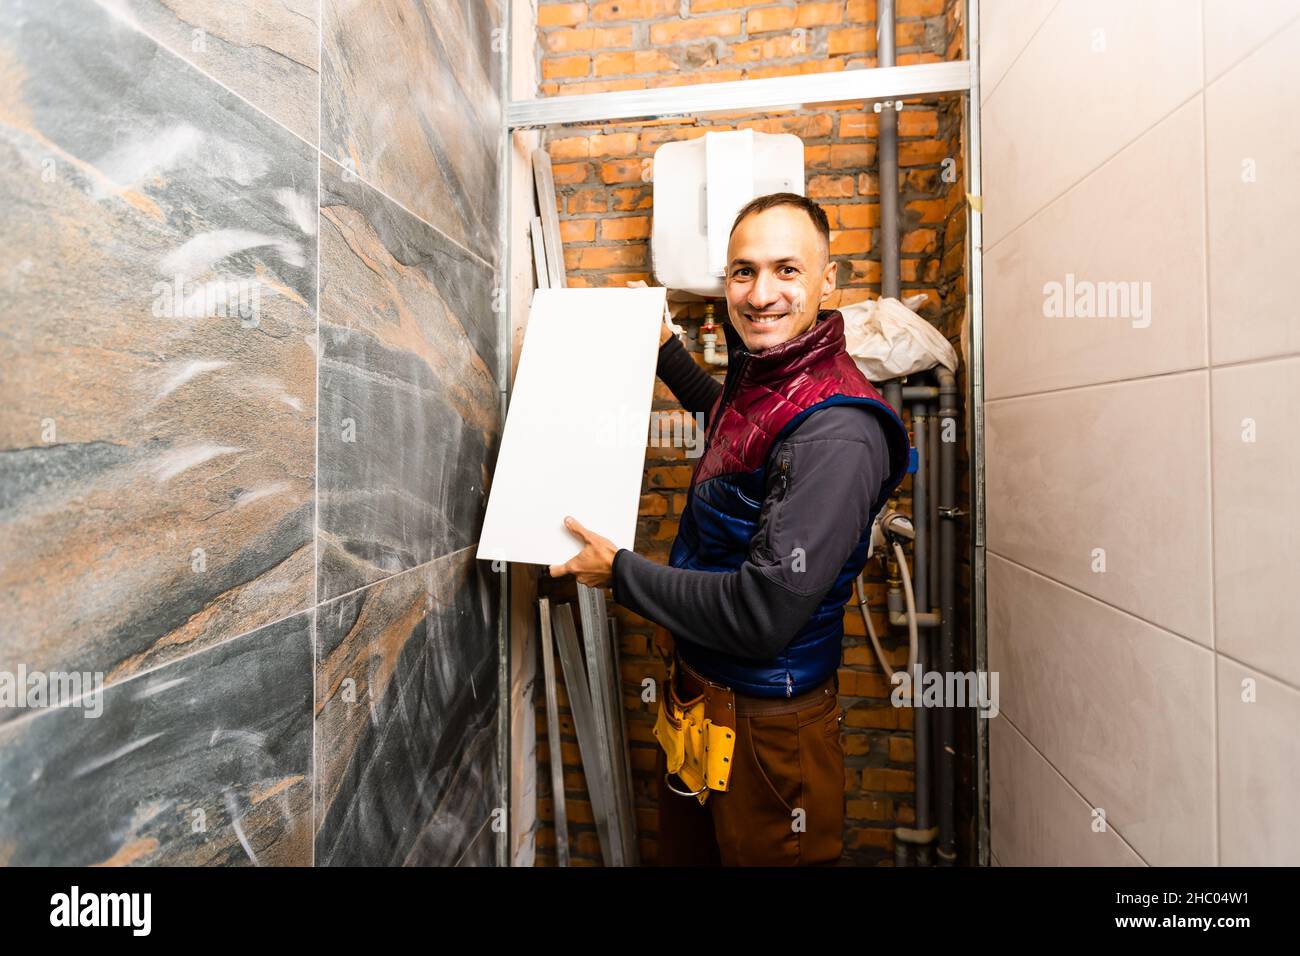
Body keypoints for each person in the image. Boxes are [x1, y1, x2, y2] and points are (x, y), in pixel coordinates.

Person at [548, 192, 911, 866]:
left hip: (768, 733)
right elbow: (742, 432)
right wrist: (667, 351)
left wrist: (619, 573)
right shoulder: (778, 378)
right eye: (743, 272)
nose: (761, 292)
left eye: (787, 270)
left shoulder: (840, 431)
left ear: (828, 279)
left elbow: (761, 614)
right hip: (707, 707)